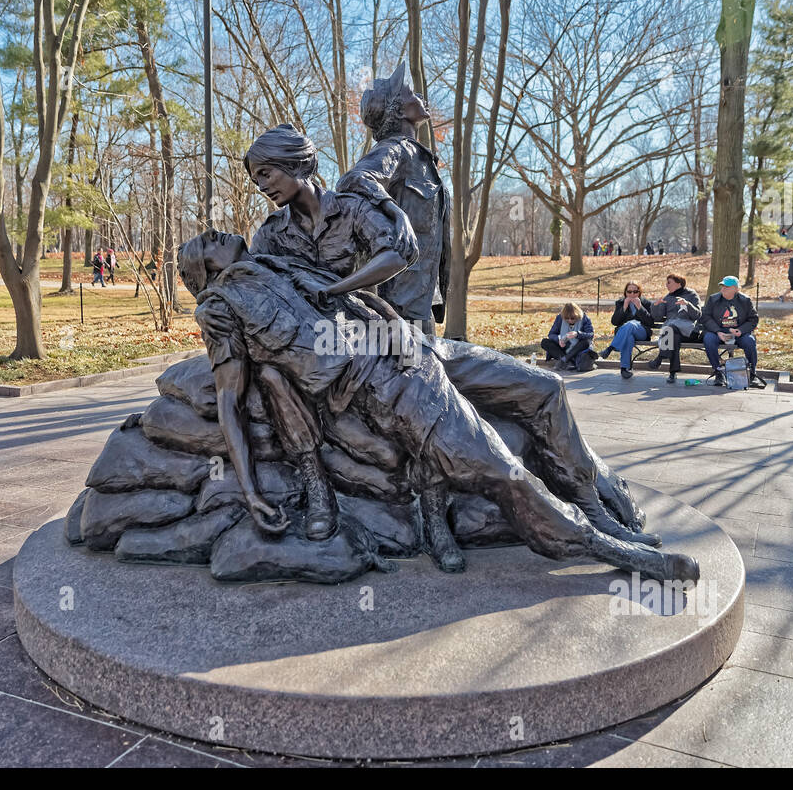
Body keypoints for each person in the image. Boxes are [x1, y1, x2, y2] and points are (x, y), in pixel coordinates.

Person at [178, 230, 693, 583]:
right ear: (204, 270)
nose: (216, 235)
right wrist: (249, 491)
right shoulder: (219, 307)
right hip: (386, 382)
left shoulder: (275, 260)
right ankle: (614, 552)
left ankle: (596, 507)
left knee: (546, 389)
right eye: (205, 243)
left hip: (415, 345)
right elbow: (230, 399)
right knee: (503, 473)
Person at [220, 124, 648, 542]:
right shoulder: (270, 238)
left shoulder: (350, 210)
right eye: (255, 177)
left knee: (546, 386)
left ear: (296, 163)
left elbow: (399, 252)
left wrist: (336, 287)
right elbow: (260, 302)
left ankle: (590, 501)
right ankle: (323, 492)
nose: (260, 186)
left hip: (397, 340)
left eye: (266, 173)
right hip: (348, 366)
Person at [335, 62, 450, 334]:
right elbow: (353, 179)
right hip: (397, 305)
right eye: (412, 93)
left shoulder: (421, 159)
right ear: (399, 109)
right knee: (415, 374)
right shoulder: (395, 150)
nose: (420, 97)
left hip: (420, 300)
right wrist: (394, 211)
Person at [701, 276, 765, 389]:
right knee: (708, 339)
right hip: (718, 332)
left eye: (727, 287)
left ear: (736, 289)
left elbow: (753, 319)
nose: (723, 289)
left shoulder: (745, 300)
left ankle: (752, 373)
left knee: (750, 341)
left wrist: (741, 330)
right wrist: (718, 332)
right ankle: (718, 372)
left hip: (738, 332)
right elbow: (706, 318)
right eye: (722, 286)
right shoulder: (713, 299)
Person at [647, 273, 702, 383]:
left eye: (669, 282)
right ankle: (672, 372)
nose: (666, 285)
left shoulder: (692, 295)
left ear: (678, 283)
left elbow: (697, 315)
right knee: (673, 336)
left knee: (670, 330)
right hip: (673, 333)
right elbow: (657, 317)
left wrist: (687, 305)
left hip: (690, 332)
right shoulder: (667, 297)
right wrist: (655, 305)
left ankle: (660, 359)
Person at [599, 282, 653, 379]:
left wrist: (640, 307)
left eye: (635, 292)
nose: (632, 294)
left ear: (639, 292)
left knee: (630, 324)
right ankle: (625, 369)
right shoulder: (620, 303)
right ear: (625, 293)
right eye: (629, 292)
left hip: (641, 331)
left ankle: (610, 348)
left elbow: (650, 323)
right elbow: (615, 322)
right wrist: (624, 307)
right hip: (626, 333)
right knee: (628, 337)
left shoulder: (646, 303)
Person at [541, 302, 596, 373]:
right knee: (545, 342)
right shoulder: (559, 318)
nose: (569, 320)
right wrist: (559, 339)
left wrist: (577, 334)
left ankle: (564, 360)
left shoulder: (584, 318)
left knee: (586, 341)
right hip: (564, 346)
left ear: (577, 315)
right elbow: (551, 334)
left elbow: (590, 334)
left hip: (578, 347)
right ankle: (569, 362)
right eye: (566, 318)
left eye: (572, 318)